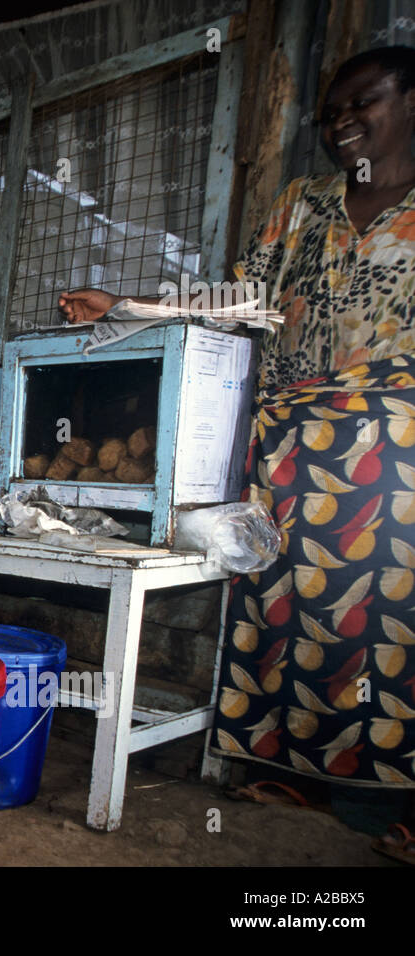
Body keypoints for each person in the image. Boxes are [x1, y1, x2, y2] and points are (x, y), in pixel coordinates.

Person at [59, 48, 415, 806]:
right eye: (331, 113)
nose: (343, 123)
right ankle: (287, 771)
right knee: (279, 607)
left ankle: (392, 799)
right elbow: (241, 302)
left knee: (392, 616)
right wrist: (130, 309)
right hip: (286, 448)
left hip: (395, 453)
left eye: (364, 103)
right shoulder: (302, 204)